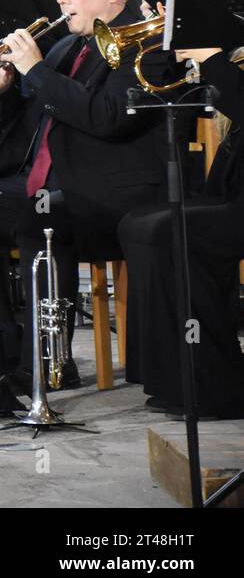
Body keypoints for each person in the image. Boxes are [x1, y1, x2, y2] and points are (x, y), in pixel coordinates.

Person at [0, 0, 166, 395]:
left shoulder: (145, 43)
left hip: (111, 193)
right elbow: (29, 128)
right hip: (49, 183)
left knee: (37, 216)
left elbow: (108, 118)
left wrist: (36, 71)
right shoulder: (66, 47)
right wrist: (5, 89)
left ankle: (41, 366)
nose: (60, 0)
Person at [119, 46, 244, 419]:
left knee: (179, 232)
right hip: (233, 192)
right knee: (141, 224)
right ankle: (174, 377)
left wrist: (213, 59)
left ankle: (219, 385)